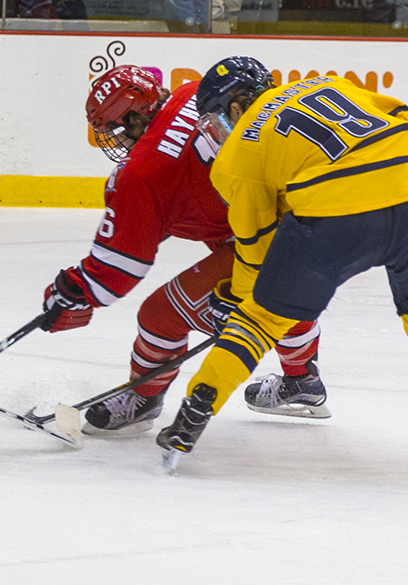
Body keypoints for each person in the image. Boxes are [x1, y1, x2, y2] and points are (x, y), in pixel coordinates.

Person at [156, 56, 408, 474]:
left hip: (339, 216)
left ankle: (189, 422)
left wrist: (241, 299)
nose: (218, 131)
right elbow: (405, 117)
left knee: (257, 320)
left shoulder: (237, 154)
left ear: (235, 107)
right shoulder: (332, 85)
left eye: (216, 119)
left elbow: (257, 253)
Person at [40, 65, 328, 434]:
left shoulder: (142, 171)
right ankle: (302, 379)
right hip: (309, 220)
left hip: (263, 234)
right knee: (281, 292)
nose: (116, 140)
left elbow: (117, 272)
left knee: (160, 315)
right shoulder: (196, 93)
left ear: (132, 118)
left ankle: (143, 398)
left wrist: (71, 292)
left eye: (115, 129)